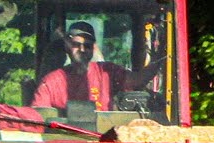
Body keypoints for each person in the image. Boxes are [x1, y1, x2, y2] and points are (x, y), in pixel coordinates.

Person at [30, 22, 161, 111]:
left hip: (103, 142)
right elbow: (38, 118)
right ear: (67, 47)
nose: (82, 49)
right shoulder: (51, 82)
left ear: (93, 48)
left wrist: (160, 56)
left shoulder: (107, 72)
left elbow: (138, 80)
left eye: (87, 45)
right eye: (76, 44)